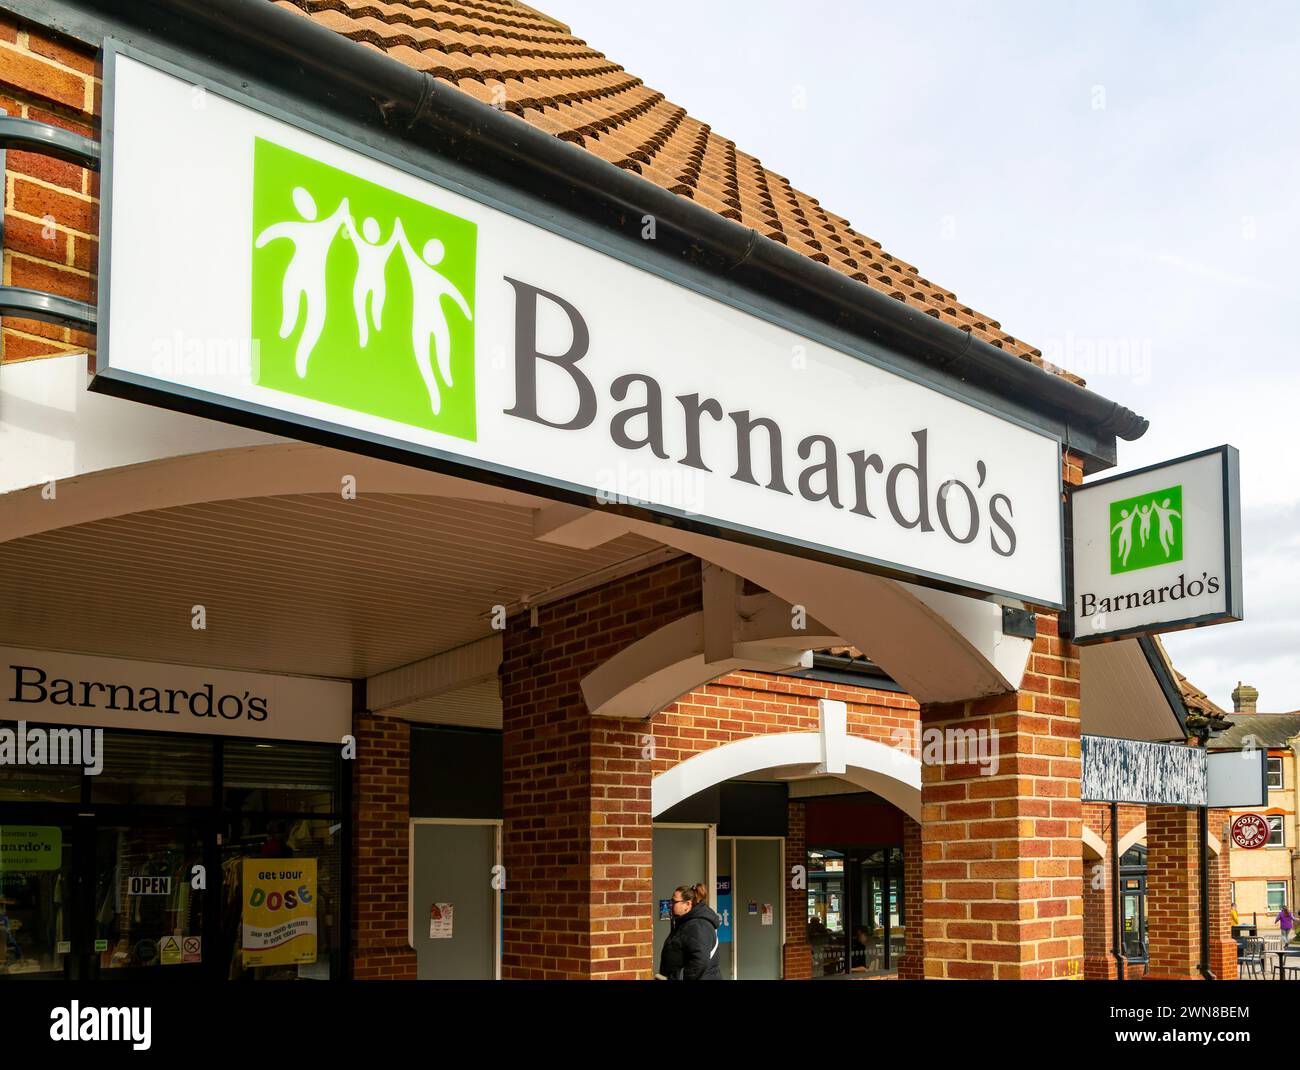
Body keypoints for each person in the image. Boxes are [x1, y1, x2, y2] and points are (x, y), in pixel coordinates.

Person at [657, 884, 721, 980]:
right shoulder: (685, 922)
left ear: (687, 904)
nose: (671, 904)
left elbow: (699, 962)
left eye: (674, 901)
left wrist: (675, 978)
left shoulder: (698, 925)